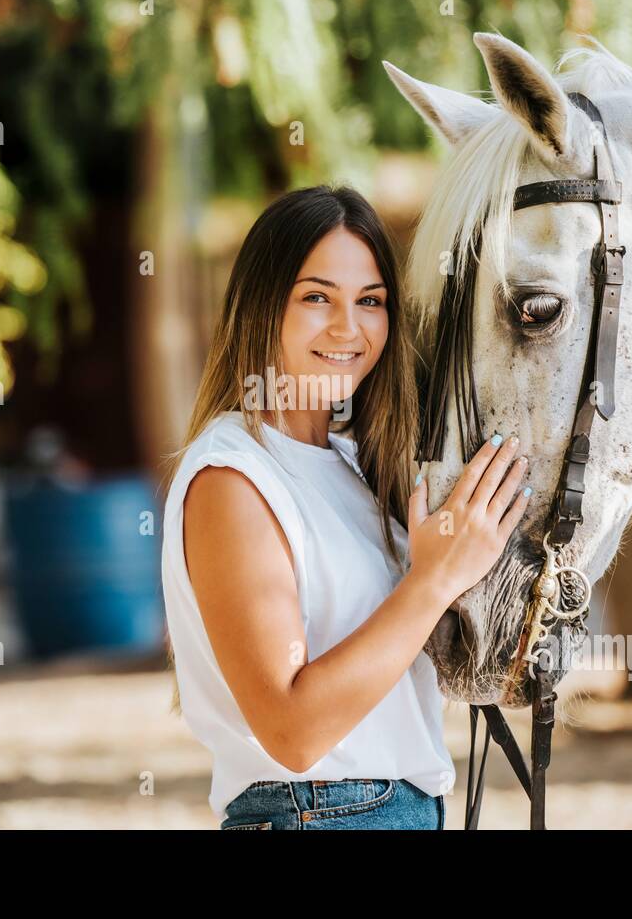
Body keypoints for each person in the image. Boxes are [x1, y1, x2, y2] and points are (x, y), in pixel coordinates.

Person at [160, 184, 531, 829]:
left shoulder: (358, 468)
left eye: (370, 302)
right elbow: (293, 731)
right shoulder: (232, 478)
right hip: (319, 813)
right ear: (258, 306)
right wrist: (434, 579)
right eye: (316, 297)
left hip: (402, 809)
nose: (347, 328)